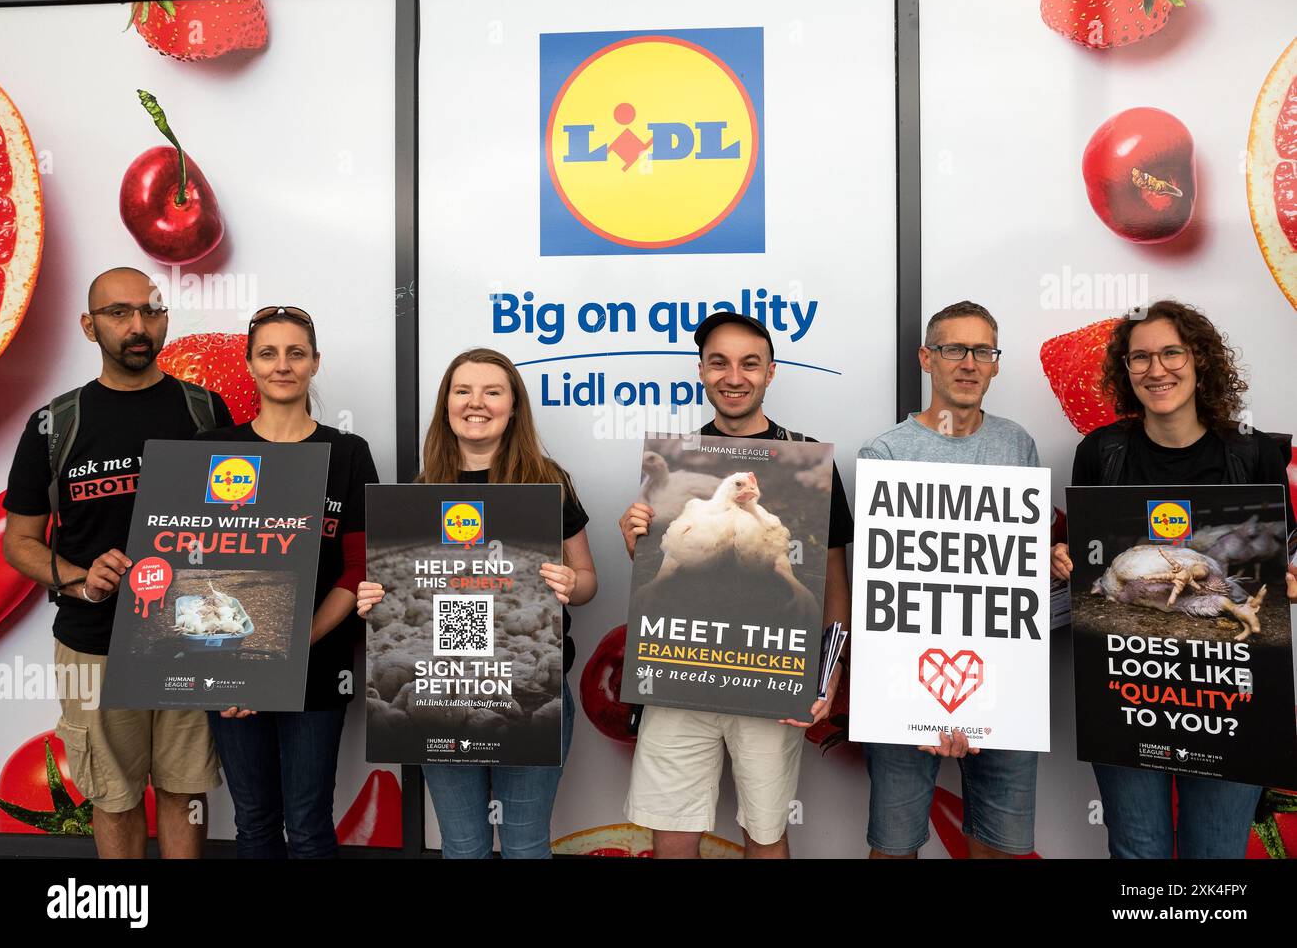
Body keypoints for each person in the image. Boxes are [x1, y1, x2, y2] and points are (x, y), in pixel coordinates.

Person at [1050, 299, 1297, 859]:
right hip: (1127, 694)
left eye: (1170, 353)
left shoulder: (1255, 455)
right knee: (1139, 854)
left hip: (1232, 700)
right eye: (1140, 358)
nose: (1156, 369)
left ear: (1200, 362)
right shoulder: (1100, 455)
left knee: (1216, 857)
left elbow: (1288, 552)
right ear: (1125, 370)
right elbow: (1088, 562)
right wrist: (1064, 559)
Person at [2, 267, 233, 858]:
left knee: (186, 792)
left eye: (151, 312)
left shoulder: (206, 411)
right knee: (115, 797)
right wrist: (80, 579)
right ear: (89, 325)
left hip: (191, 637)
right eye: (118, 313)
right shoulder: (56, 423)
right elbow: (20, 541)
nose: (138, 326)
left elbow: (242, 525)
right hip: (94, 640)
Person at [616, 311, 853, 859]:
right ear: (701, 371)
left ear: (770, 372)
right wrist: (637, 542)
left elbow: (833, 579)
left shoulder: (808, 456)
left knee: (766, 832)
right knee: (671, 833)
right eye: (719, 362)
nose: (734, 375)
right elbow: (660, 572)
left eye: (750, 363)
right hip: (681, 671)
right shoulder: (679, 465)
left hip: (771, 674)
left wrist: (828, 668)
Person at [356, 347, 597, 858]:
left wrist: (567, 583)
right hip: (441, 689)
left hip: (534, 690)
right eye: (462, 391)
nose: (476, 403)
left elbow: (589, 581)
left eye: (493, 391)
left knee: (526, 843)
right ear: (446, 405)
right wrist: (376, 596)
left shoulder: (547, 482)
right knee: (462, 844)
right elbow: (416, 598)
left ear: (514, 406)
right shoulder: (421, 492)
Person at [859, 300, 1042, 859]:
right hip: (903, 692)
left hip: (1004, 687)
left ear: (995, 364)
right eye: (953, 349)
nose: (968, 362)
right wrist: (923, 705)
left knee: (1002, 848)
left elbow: (1020, 579)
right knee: (894, 848)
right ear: (926, 359)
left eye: (982, 351)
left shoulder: (1018, 447)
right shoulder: (886, 452)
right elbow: (881, 595)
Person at [198, 305, 378, 858]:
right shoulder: (212, 450)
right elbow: (194, 567)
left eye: (296, 353)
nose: (283, 365)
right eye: (268, 353)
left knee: (307, 826)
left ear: (315, 363)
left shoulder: (347, 454)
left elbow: (358, 570)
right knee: (252, 822)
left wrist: (292, 644)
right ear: (250, 364)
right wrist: (239, 663)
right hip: (229, 667)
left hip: (315, 668)